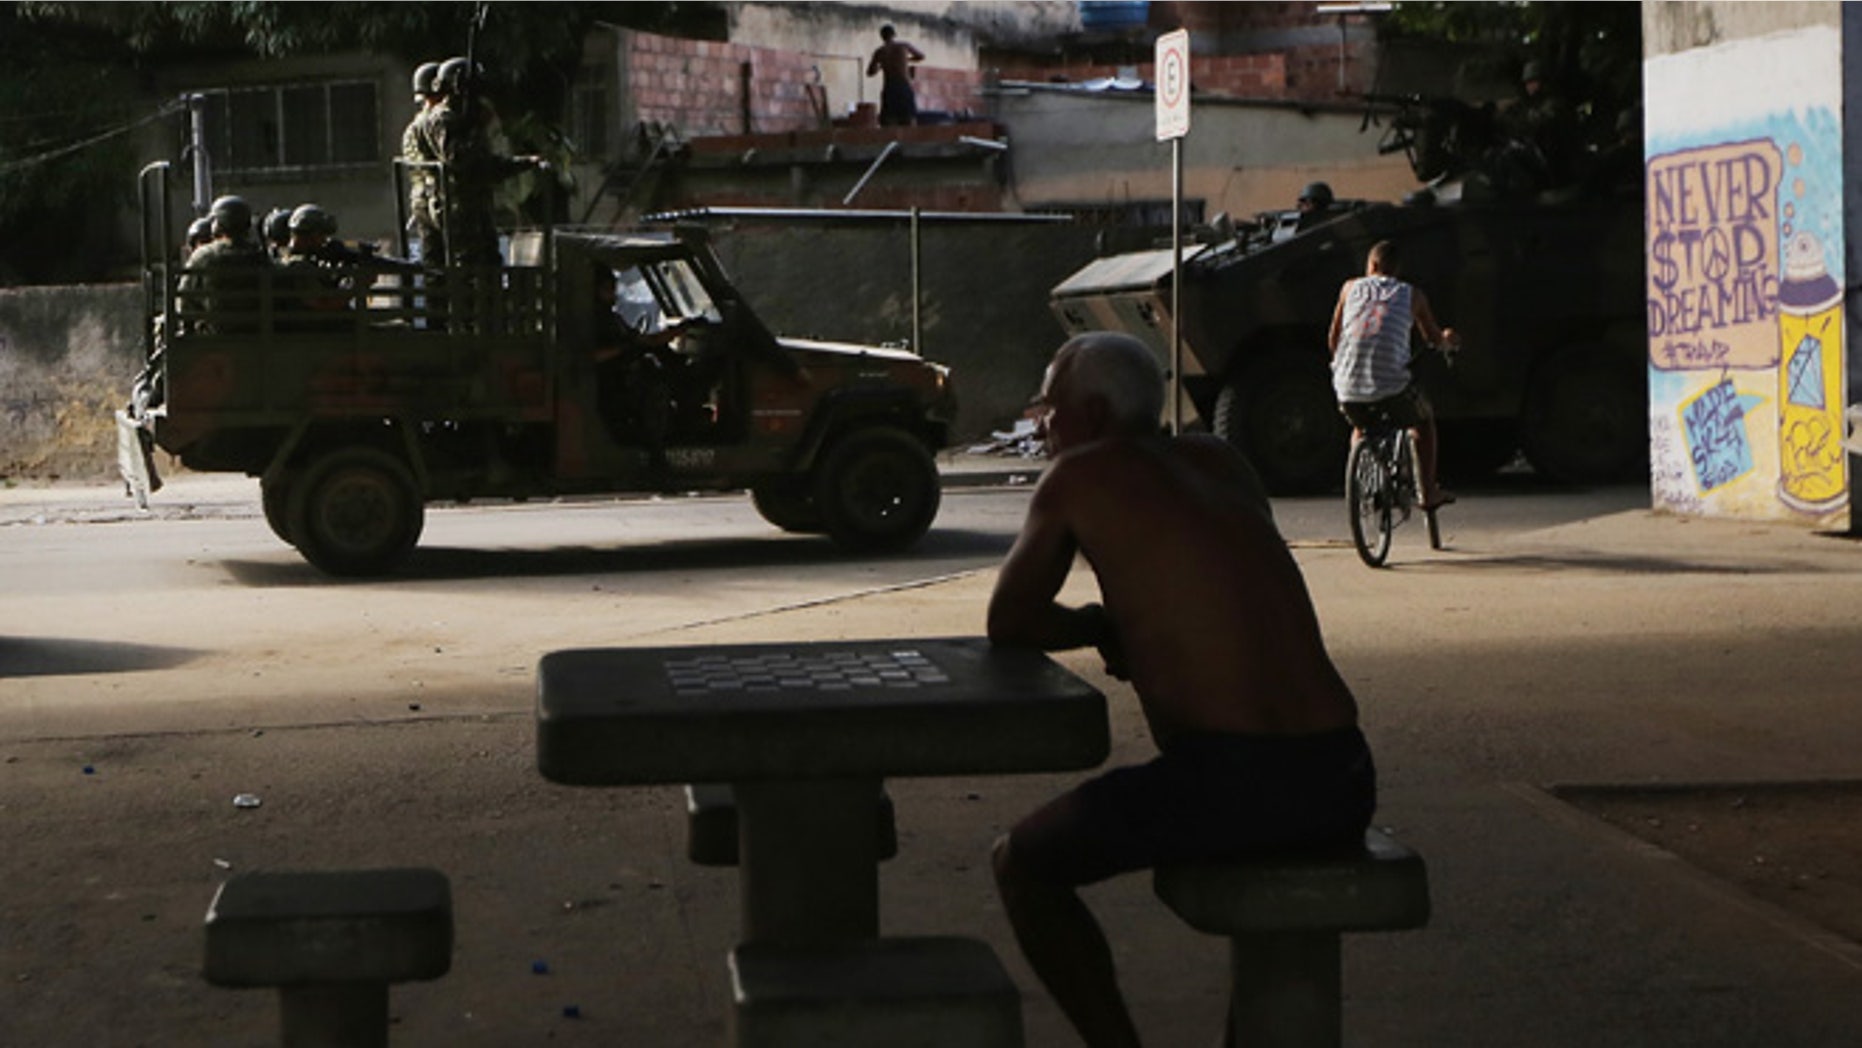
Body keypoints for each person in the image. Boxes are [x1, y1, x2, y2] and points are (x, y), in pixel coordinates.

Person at [987, 332, 1373, 1048]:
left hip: (1235, 775)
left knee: (1024, 865)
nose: (1041, 423)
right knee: (1256, 869)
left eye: (1052, 406)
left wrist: (1095, 626)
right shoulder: (1221, 461)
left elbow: (1009, 620)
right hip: (1343, 771)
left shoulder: (1078, 478)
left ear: (1095, 415)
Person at [1327, 239, 1459, 510]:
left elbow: (1333, 338)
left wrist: (1344, 364)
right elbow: (1433, 338)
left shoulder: (1349, 287)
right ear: (1396, 270)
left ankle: (1364, 481)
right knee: (1423, 422)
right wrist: (1448, 340)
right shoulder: (1413, 295)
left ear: (1372, 265)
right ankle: (1428, 492)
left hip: (1346, 385)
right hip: (1391, 384)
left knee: (1361, 428)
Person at [177, 195, 270, 334]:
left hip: (214, 334)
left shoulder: (203, 256)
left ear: (218, 224)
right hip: (256, 332)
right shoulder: (261, 256)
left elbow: (185, 301)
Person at [403, 61, 446, 266]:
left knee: (435, 267)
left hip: (425, 199)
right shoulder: (431, 125)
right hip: (435, 199)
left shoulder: (417, 126)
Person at [866, 24, 925, 127]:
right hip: (903, 85)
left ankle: (891, 141)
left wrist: (880, 66)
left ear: (882, 36)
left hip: (889, 87)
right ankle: (910, 141)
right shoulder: (904, 46)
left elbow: (870, 72)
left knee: (889, 121)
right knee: (909, 118)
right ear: (894, 35)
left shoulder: (880, 52)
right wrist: (907, 60)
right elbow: (921, 56)